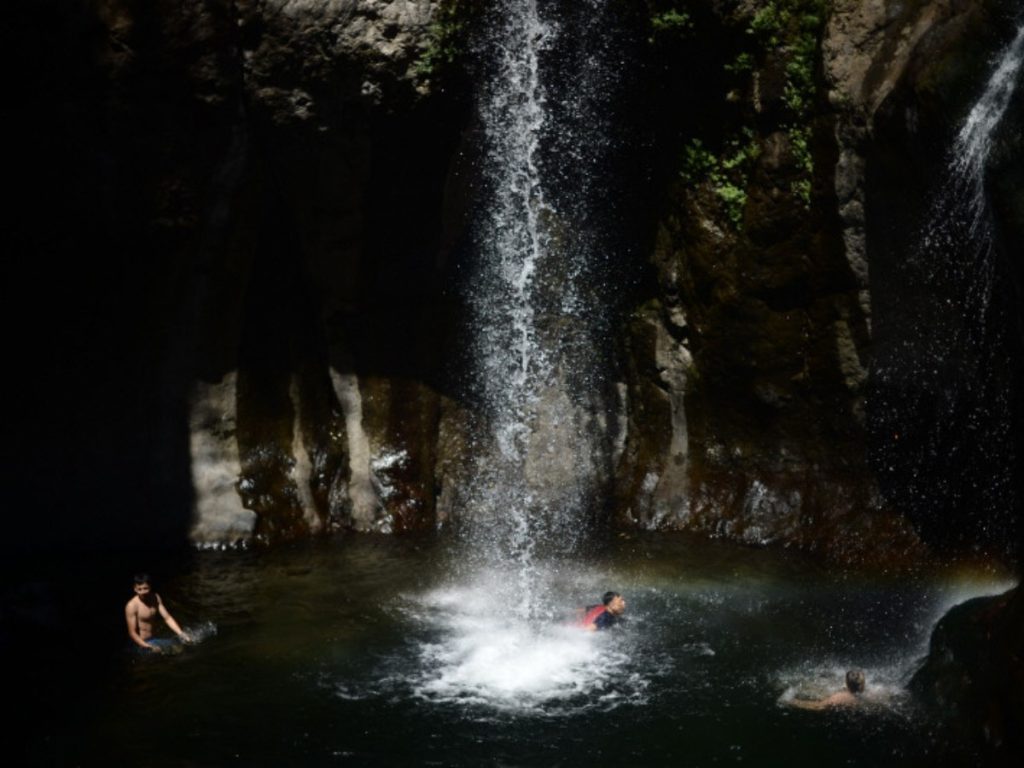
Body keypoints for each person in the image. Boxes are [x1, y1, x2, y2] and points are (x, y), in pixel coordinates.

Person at [125, 573, 190, 653]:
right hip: (140, 644)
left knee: (184, 644)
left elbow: (167, 618)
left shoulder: (155, 598)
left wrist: (181, 634)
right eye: (139, 589)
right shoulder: (132, 606)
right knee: (175, 650)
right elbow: (132, 633)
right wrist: (148, 647)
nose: (143, 592)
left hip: (153, 640)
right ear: (135, 589)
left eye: (146, 588)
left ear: (150, 587)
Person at [787, 669, 866, 710]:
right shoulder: (873, 694)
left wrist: (792, 701)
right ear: (863, 683)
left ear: (846, 682)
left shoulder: (839, 698)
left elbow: (817, 706)